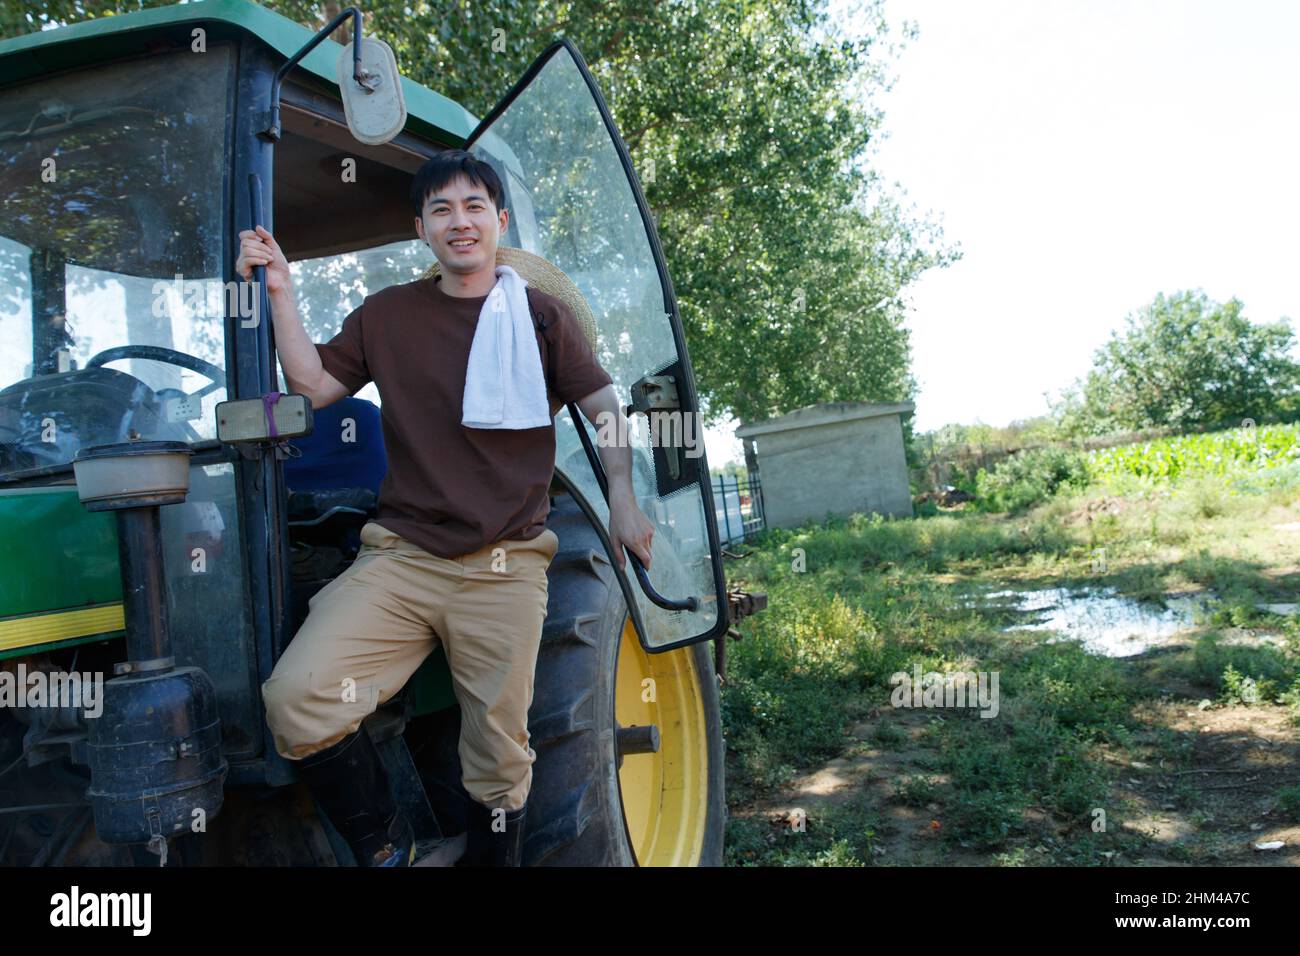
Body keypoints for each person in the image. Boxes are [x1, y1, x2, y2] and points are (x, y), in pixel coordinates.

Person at [235, 149, 655, 867]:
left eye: (472, 206)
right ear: (421, 230)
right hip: (400, 560)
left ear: (498, 218)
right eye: (441, 210)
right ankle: (389, 850)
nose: (459, 221)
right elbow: (308, 385)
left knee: (497, 754)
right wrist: (279, 288)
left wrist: (622, 495)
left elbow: (603, 403)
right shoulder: (387, 315)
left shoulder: (541, 317)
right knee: (299, 698)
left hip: (506, 565)